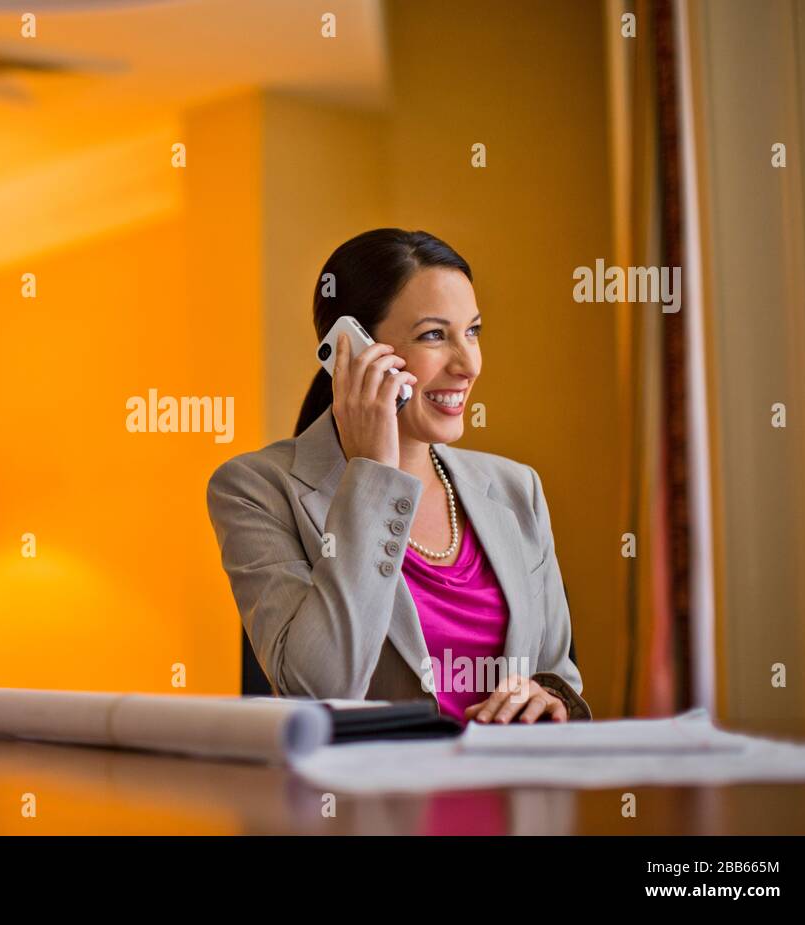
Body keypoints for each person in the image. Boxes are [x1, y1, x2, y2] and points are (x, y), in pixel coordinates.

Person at [206, 228, 590, 723]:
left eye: (472, 330)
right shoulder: (254, 489)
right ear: (352, 349)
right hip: (370, 798)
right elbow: (319, 689)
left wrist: (549, 696)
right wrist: (372, 474)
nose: (469, 364)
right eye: (434, 335)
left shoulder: (519, 490)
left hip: (510, 793)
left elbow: (557, 674)